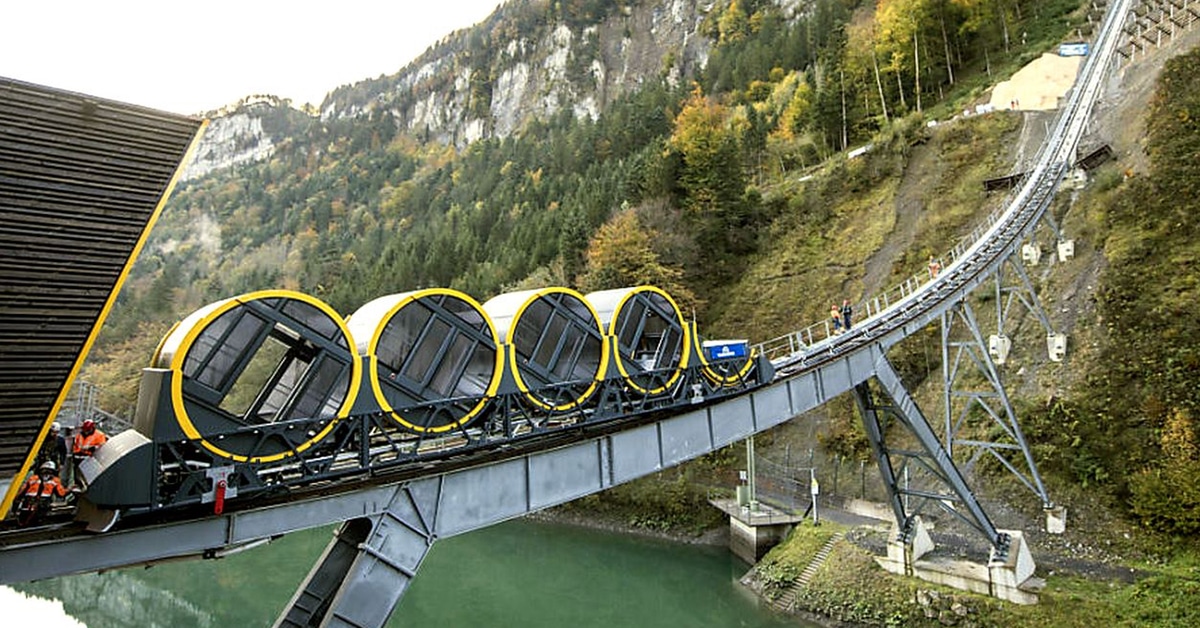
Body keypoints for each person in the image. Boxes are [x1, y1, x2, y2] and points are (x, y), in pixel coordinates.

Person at [16, 460, 69, 526]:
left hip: (28, 501)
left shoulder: (33, 478)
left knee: (25, 517)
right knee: (37, 518)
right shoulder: (55, 481)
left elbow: (21, 491)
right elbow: (61, 493)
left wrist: (17, 499)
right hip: (43, 503)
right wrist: (70, 490)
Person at [72, 419, 107, 488]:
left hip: (89, 459)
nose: (86, 432)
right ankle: (78, 486)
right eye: (85, 430)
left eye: (87, 430)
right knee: (77, 477)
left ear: (92, 428)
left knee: (88, 478)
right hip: (78, 458)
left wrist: (91, 448)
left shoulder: (99, 435)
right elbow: (76, 445)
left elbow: (102, 447)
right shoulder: (79, 435)